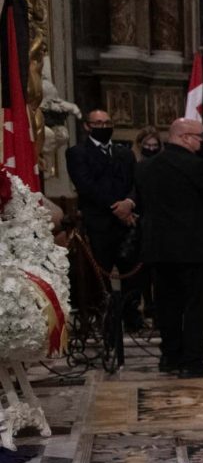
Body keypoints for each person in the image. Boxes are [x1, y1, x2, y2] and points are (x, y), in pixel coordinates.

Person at [134, 117, 203, 379]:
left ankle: (170, 356)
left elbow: (143, 208)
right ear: (185, 137)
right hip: (195, 250)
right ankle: (192, 362)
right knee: (195, 307)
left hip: (159, 249)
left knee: (166, 306)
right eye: (201, 138)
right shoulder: (197, 168)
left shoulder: (145, 168)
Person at [66, 108, 142, 344]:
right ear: (87, 126)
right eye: (98, 123)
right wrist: (116, 208)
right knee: (101, 274)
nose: (103, 126)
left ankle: (132, 318)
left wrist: (129, 203)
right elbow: (86, 186)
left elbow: (135, 183)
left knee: (133, 273)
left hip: (127, 223)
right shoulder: (77, 153)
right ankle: (106, 321)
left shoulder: (125, 154)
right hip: (99, 223)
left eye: (107, 122)